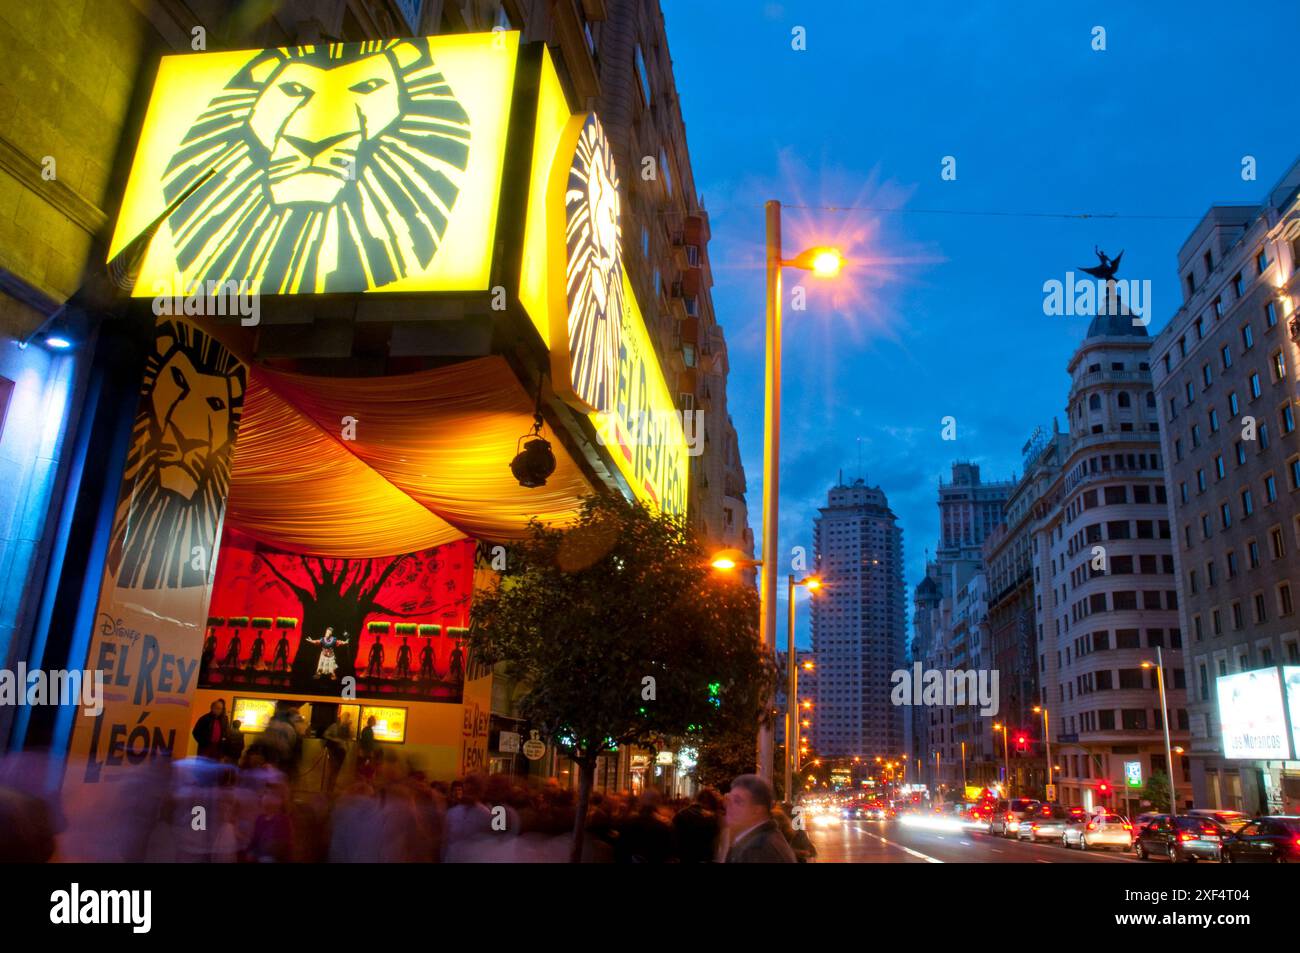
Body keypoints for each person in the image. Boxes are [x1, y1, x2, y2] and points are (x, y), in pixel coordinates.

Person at [723, 774, 796, 863]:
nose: (729, 806)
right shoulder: (760, 841)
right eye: (729, 799)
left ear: (758, 809)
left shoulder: (757, 850)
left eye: (737, 801)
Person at [672, 787, 723, 863]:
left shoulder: (680, 814)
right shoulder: (712, 819)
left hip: (684, 858)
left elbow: (673, 839)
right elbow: (715, 845)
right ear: (712, 804)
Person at [322, 711, 353, 793]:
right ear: (342, 717)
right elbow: (325, 734)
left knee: (336, 770)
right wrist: (336, 740)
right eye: (346, 717)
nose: (346, 719)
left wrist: (350, 728)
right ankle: (329, 789)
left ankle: (331, 788)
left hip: (342, 751)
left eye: (347, 718)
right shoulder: (335, 726)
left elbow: (349, 737)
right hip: (334, 750)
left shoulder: (347, 727)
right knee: (333, 770)